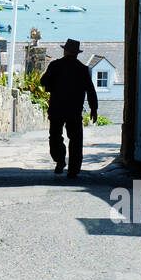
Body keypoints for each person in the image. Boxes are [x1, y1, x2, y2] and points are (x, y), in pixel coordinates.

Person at [38, 39, 98, 177]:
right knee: (76, 139)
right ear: (77, 53)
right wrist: (93, 109)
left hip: (57, 108)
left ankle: (59, 160)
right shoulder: (83, 69)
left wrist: (53, 85)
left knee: (55, 136)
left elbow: (43, 81)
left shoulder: (55, 65)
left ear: (65, 50)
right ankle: (73, 169)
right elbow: (90, 90)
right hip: (74, 109)